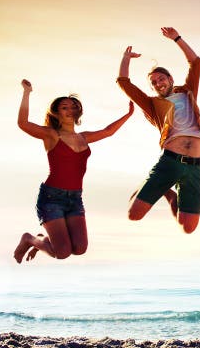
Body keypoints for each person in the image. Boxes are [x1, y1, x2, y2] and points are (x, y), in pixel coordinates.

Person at [13, 80, 134, 263]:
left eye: (73, 107)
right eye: (64, 108)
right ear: (56, 113)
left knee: (80, 248)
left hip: (75, 198)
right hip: (52, 197)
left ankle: (44, 240)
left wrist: (129, 114)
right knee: (62, 252)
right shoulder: (52, 135)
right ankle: (30, 239)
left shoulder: (84, 137)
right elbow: (23, 123)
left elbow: (108, 131)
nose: (70, 111)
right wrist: (27, 92)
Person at [117, 27, 200, 233]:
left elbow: (195, 62)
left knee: (188, 227)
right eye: (154, 83)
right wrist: (126, 59)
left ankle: (169, 193)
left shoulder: (188, 91)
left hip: (194, 167)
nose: (158, 83)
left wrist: (177, 38)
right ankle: (158, 185)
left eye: (161, 79)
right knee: (134, 214)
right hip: (170, 162)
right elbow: (124, 83)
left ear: (170, 79)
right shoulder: (152, 105)